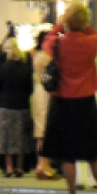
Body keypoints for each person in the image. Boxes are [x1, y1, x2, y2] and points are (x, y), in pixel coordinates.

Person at [41, 3, 97, 194]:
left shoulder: (57, 44)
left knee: (67, 154)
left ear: (66, 21)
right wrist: (84, 25)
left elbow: (47, 40)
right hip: (86, 101)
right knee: (93, 153)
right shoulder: (92, 42)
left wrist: (60, 25)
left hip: (62, 100)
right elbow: (94, 35)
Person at [0, 39, 33, 177]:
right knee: (20, 137)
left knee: (7, 138)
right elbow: (30, 88)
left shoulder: (3, 68)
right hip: (22, 106)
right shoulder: (27, 69)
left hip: (5, 105)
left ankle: (9, 167)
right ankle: (20, 168)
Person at [30, 28, 57, 178]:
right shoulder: (47, 56)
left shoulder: (36, 54)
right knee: (45, 131)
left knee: (40, 131)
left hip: (38, 90)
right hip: (47, 92)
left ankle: (41, 164)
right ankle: (44, 165)